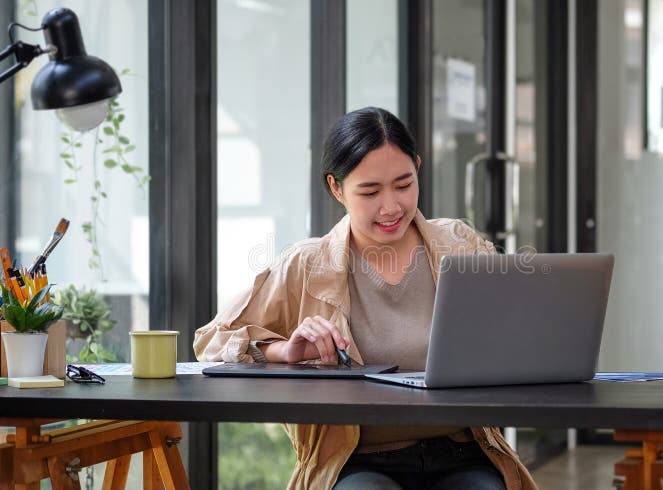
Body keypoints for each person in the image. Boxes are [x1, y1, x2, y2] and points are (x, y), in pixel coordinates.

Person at [194, 107, 537, 490]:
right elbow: (211, 342)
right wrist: (284, 351)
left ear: (418, 169)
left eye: (404, 185)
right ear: (336, 188)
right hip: (357, 460)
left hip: (463, 452)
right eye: (370, 192)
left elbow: (516, 335)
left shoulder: (460, 245)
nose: (390, 207)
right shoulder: (306, 264)